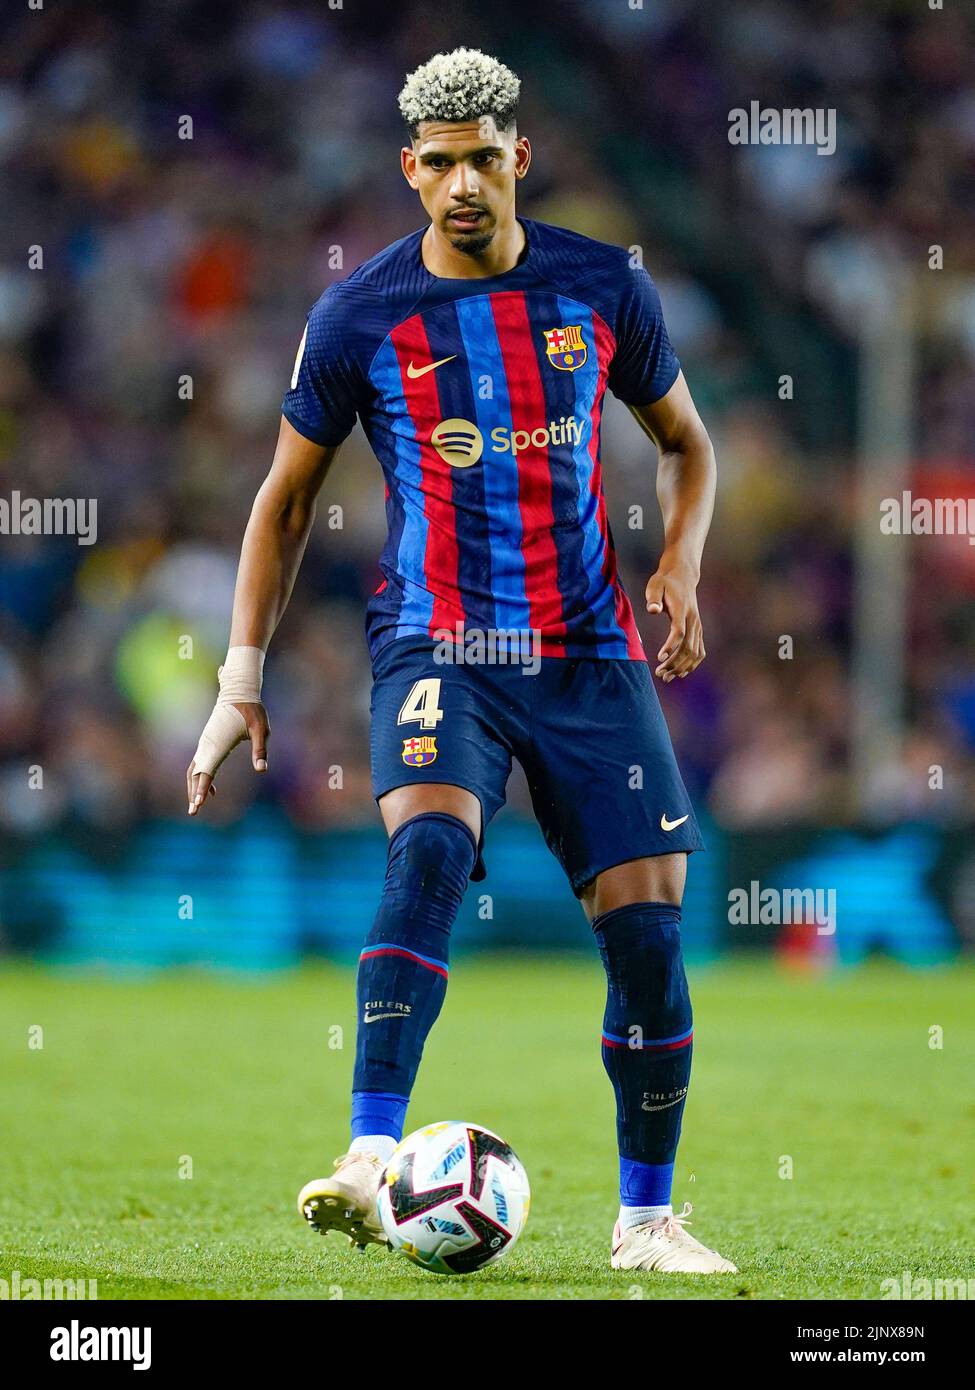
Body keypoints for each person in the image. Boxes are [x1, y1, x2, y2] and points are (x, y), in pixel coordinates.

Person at [186, 47, 734, 1274]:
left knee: (648, 933)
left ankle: (645, 1221)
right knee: (429, 840)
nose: (465, 184)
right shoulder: (359, 315)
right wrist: (239, 680)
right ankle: (371, 1153)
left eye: (486, 157)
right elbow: (281, 504)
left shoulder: (603, 289)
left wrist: (682, 564)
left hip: (590, 651)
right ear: (410, 171)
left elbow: (689, 446)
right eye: (440, 164)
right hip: (438, 642)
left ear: (520, 157)